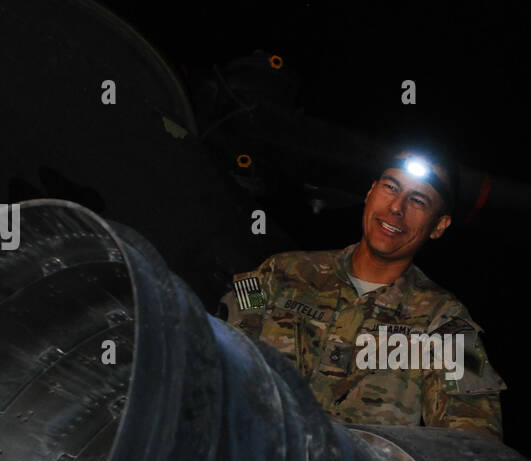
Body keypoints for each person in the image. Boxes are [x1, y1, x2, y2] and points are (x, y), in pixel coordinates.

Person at [217, 146, 506, 442]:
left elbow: (475, 439)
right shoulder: (275, 272)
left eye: (418, 200)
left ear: (439, 226)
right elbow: (216, 351)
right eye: (390, 187)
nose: (397, 206)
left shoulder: (447, 322)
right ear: (370, 193)